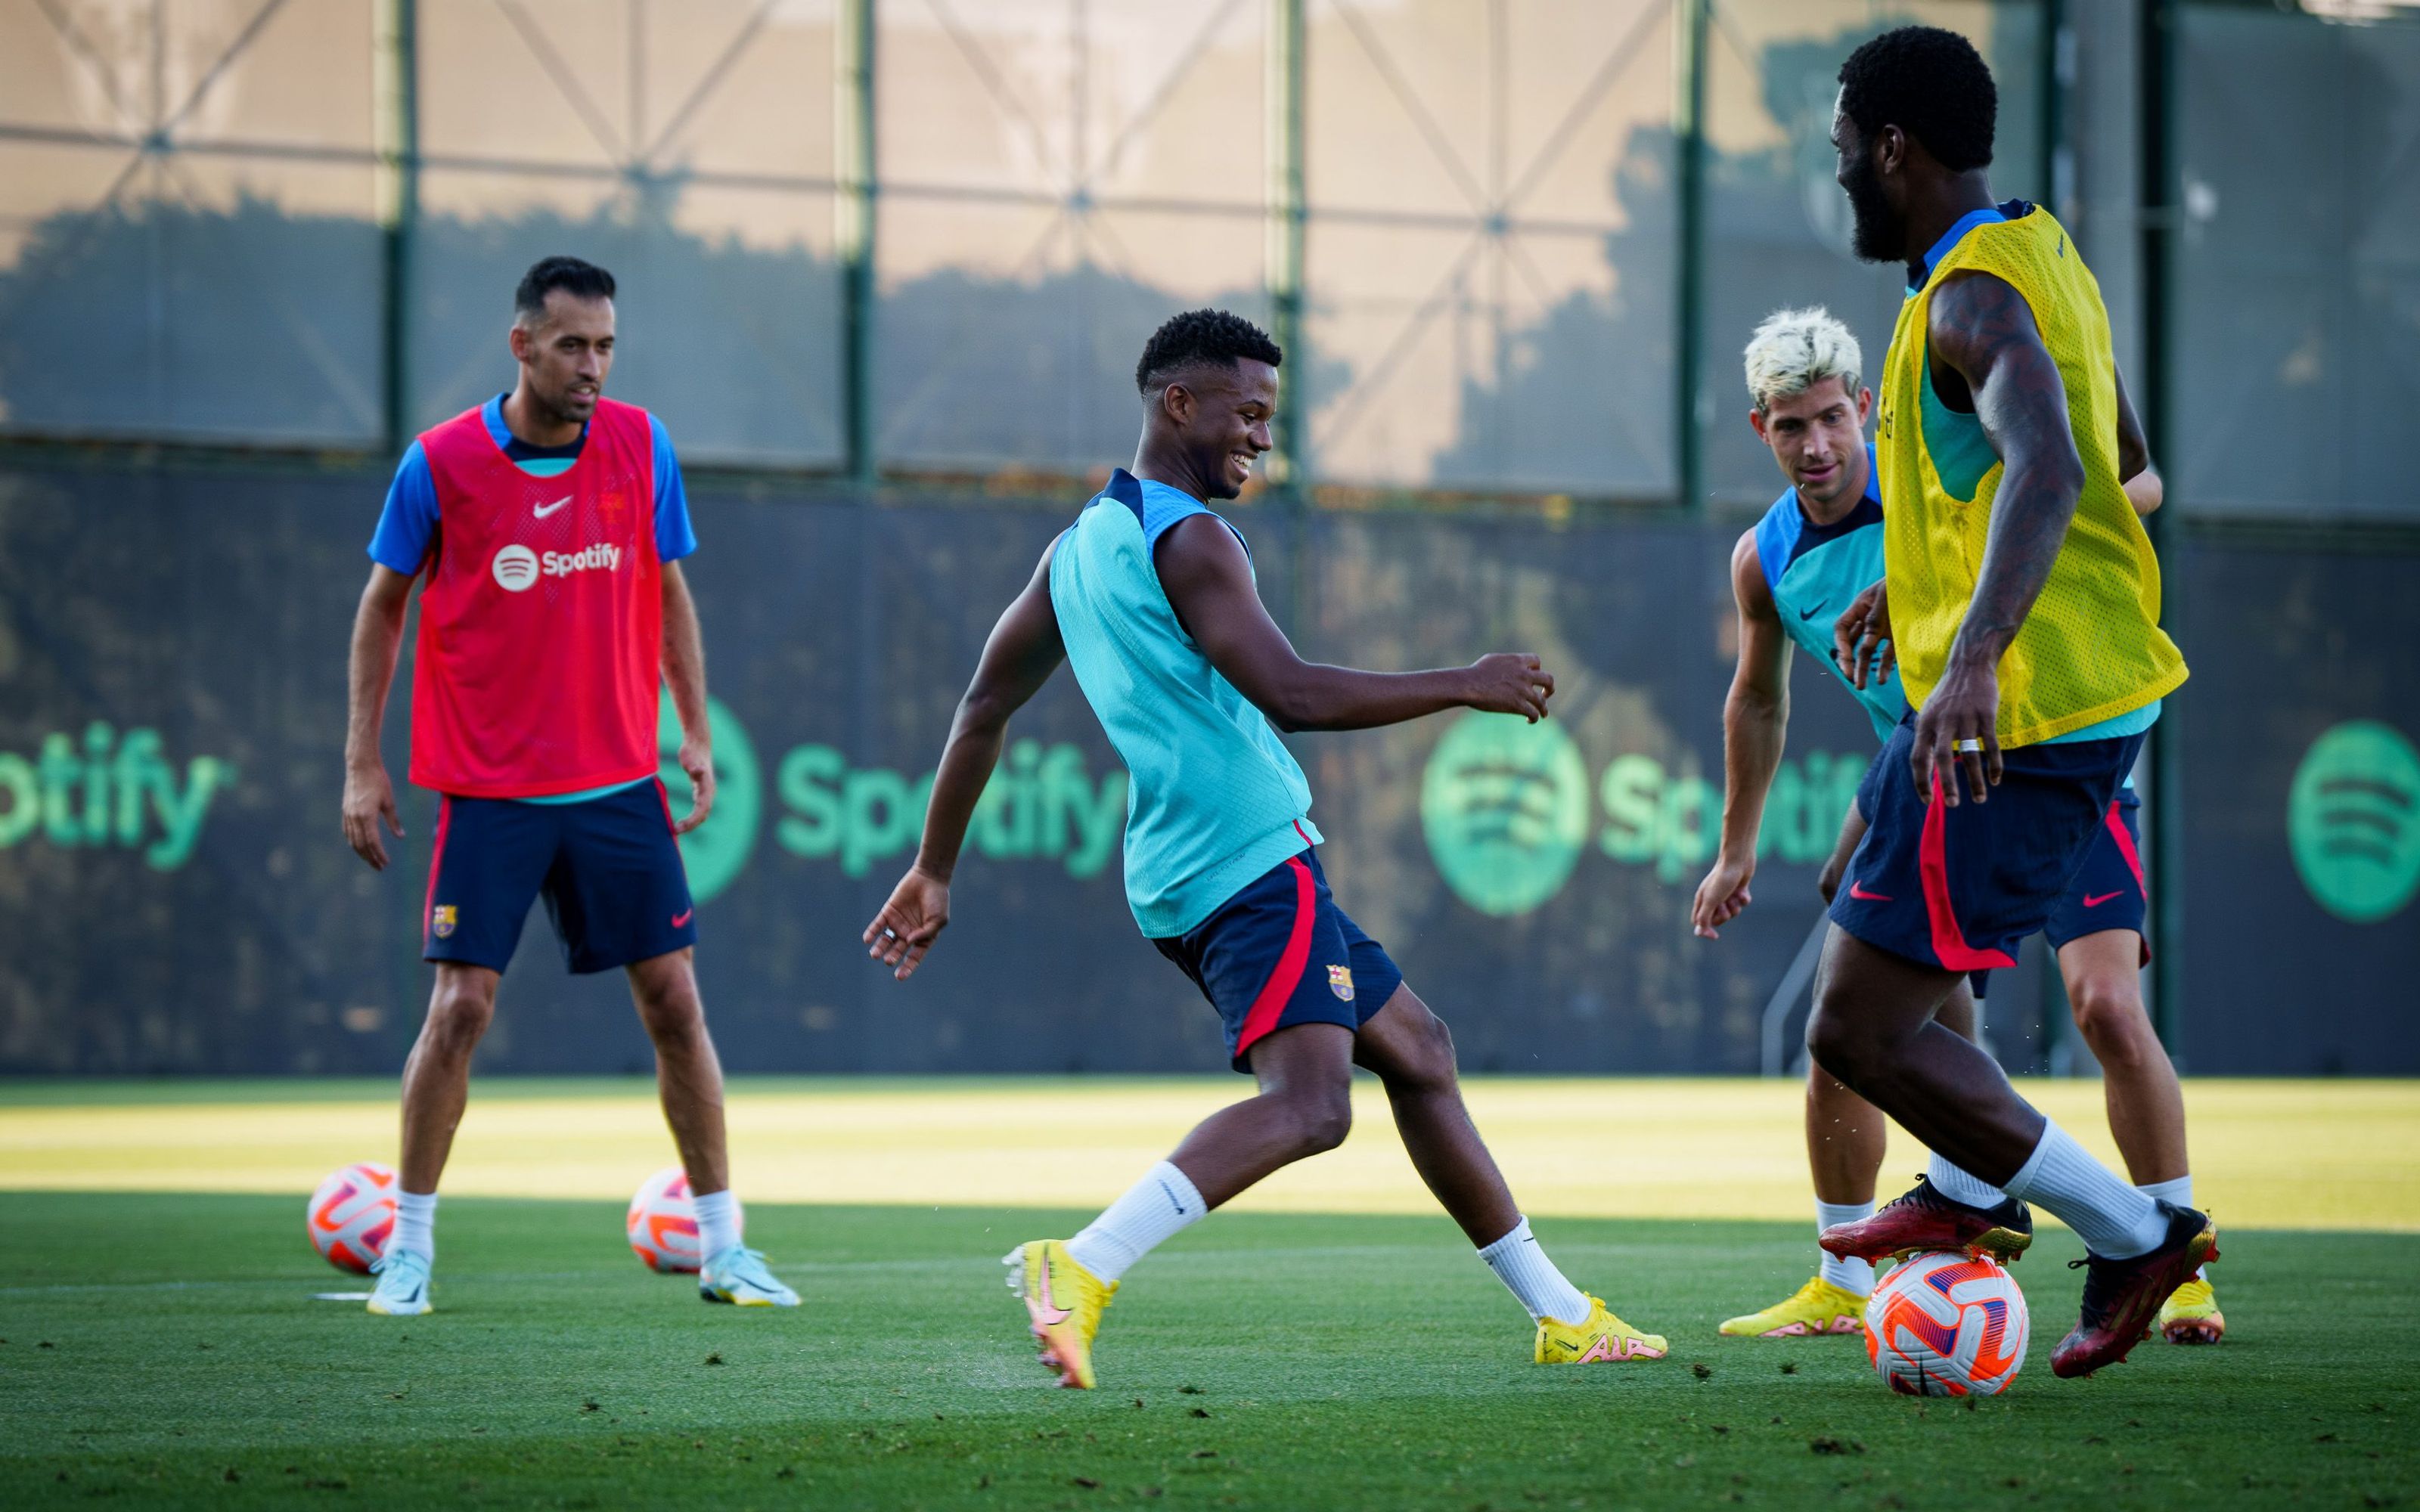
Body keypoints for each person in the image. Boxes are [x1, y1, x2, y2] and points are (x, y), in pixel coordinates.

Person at [861, 309, 1667, 1389]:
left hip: (1194, 868)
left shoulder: (1078, 548)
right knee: (1314, 1108)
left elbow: (979, 706)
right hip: (1242, 861)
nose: (1263, 440)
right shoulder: (1188, 537)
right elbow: (1288, 692)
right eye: (1246, 414)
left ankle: (1561, 1313)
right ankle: (1081, 1264)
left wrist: (935, 867)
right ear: (1175, 403)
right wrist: (1463, 681)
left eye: (1270, 418)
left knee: (1420, 1052)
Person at [1801, 26, 2211, 1380]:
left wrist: (1973, 650)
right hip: (2041, 699)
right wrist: (1921, 582)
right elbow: (2121, 454)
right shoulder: (2038, 255)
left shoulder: (1971, 297)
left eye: (1848, 142)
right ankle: (1972, 1191)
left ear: (1893, 148)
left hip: (2020, 715)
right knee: (1854, 912)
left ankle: (2136, 1229)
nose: (1842, 164)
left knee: (1859, 1029)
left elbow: (2046, 468)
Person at [1691, 308, 2220, 1346]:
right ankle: (1860, 1271)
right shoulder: (1769, 560)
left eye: (1835, 418)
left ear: (1866, 412)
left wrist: (1934, 570)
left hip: (2043, 753)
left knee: (2106, 1006)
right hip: (1927, 769)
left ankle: (2174, 1262)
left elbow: (2122, 487)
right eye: (1792, 426)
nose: (1819, 445)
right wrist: (1737, 847)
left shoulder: (1940, 481)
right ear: (1763, 431)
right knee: (1858, 1013)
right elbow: (1756, 701)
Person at [341, 256, 796, 1315]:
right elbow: (381, 605)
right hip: (490, 792)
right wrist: (363, 759)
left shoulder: (642, 445)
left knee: (676, 1001)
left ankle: (727, 1250)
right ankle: (407, 1250)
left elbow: (667, 582)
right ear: (522, 347)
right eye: (571, 347)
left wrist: (690, 726)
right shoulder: (441, 463)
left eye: (605, 348)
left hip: (615, 785)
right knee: (460, 1009)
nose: (591, 366)